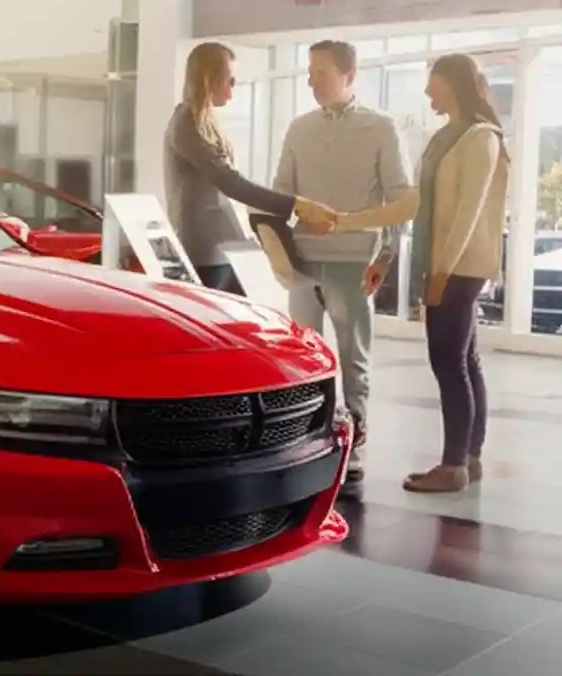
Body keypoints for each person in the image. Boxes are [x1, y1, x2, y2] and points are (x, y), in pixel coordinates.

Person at [321, 53, 510, 493]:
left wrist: (441, 273)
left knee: (449, 365)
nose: (427, 92)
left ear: (454, 83)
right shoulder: (445, 138)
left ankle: (453, 465)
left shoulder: (481, 138)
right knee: (465, 360)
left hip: (458, 267)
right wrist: (366, 241)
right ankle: (469, 456)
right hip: (449, 265)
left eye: (433, 83)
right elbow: (414, 207)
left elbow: (467, 213)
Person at [272, 40, 413, 482]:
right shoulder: (298, 129)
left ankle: (355, 442)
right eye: (309, 72)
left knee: (353, 358)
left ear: (350, 76)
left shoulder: (382, 129)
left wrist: (386, 257)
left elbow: (400, 199)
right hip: (302, 262)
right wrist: (275, 247)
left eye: (321, 73)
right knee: (300, 355)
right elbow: (280, 194)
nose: (312, 81)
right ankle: (304, 437)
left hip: (355, 261)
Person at [164, 41, 336, 294]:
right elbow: (231, 183)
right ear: (209, 77)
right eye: (229, 80)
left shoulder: (207, 123)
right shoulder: (185, 122)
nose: (233, 89)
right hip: (200, 253)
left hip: (223, 249)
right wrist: (298, 206)